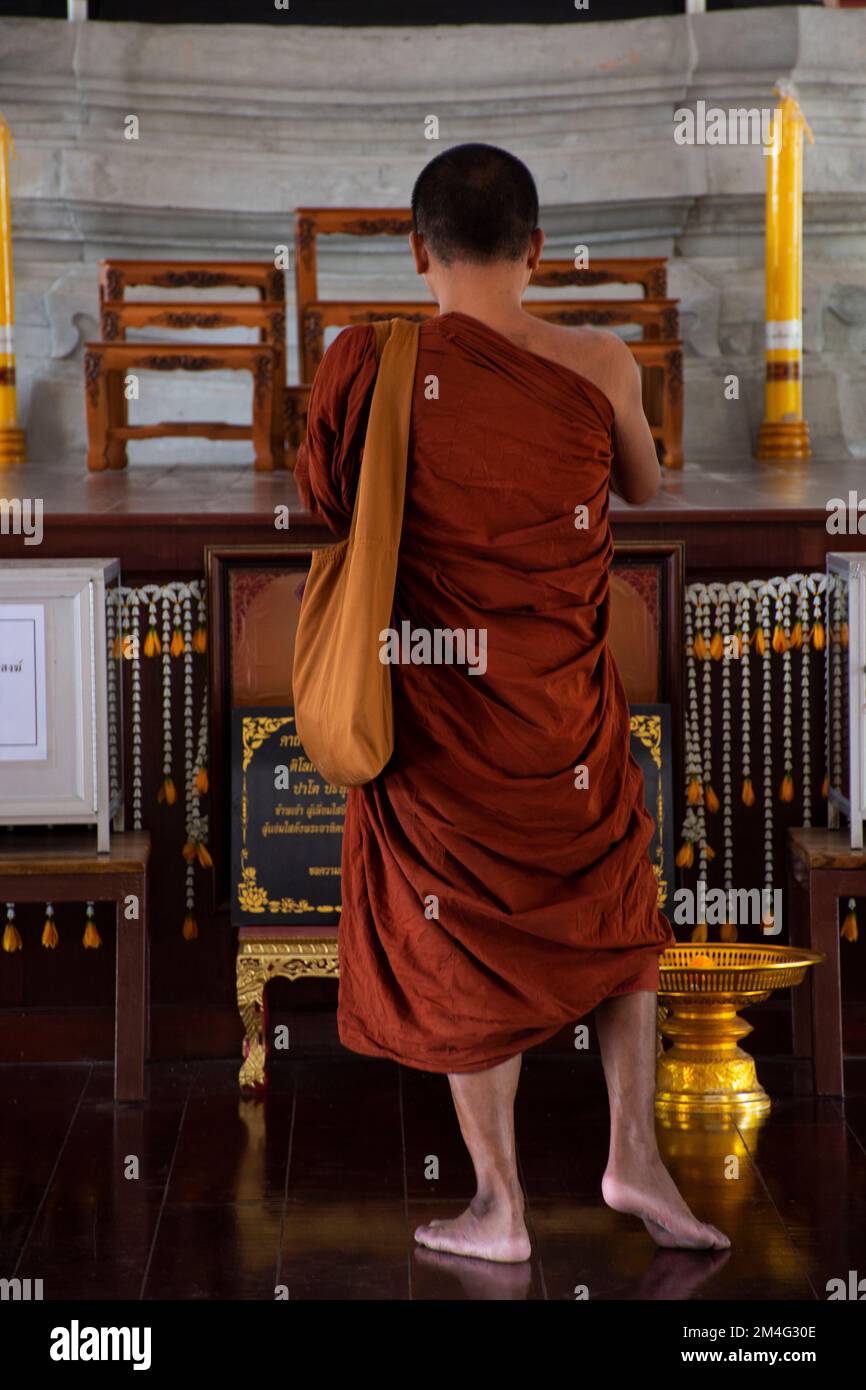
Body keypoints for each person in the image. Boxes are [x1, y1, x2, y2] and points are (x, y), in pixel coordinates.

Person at [296, 142, 729, 1261]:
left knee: (456, 930)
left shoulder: (369, 364)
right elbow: (640, 483)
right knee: (614, 903)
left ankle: (500, 1207)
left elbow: (325, 500)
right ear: (537, 249)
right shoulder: (599, 362)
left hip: (438, 717)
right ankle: (630, 1150)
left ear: (416, 251)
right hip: (565, 719)